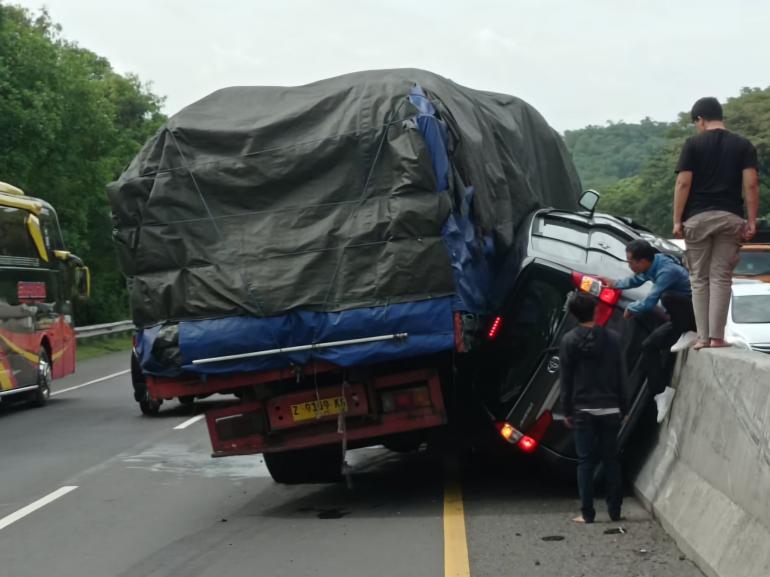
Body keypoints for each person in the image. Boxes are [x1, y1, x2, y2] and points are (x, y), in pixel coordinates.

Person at [673, 96, 760, 350]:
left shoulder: (693, 144)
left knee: (699, 278)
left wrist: (677, 220)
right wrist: (751, 220)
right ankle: (717, 338)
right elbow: (751, 185)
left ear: (700, 119)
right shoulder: (743, 145)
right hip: (730, 217)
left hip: (698, 218)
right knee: (721, 277)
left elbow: (683, 183)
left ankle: (702, 337)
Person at [600, 239, 695, 421]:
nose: (629, 265)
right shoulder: (653, 264)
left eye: (630, 262)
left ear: (642, 261)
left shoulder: (667, 271)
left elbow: (651, 300)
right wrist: (614, 284)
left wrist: (631, 309)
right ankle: (661, 393)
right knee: (648, 346)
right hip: (677, 319)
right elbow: (637, 279)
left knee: (667, 297)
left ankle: (690, 331)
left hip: (692, 315)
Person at [559, 291, 628, 524]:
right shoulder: (614, 339)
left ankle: (588, 513)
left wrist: (567, 410)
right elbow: (621, 376)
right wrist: (624, 408)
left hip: (583, 410)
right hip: (610, 408)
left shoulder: (569, 341)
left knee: (585, 462)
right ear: (596, 310)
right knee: (611, 460)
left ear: (573, 314)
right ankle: (615, 511)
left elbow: (566, 379)